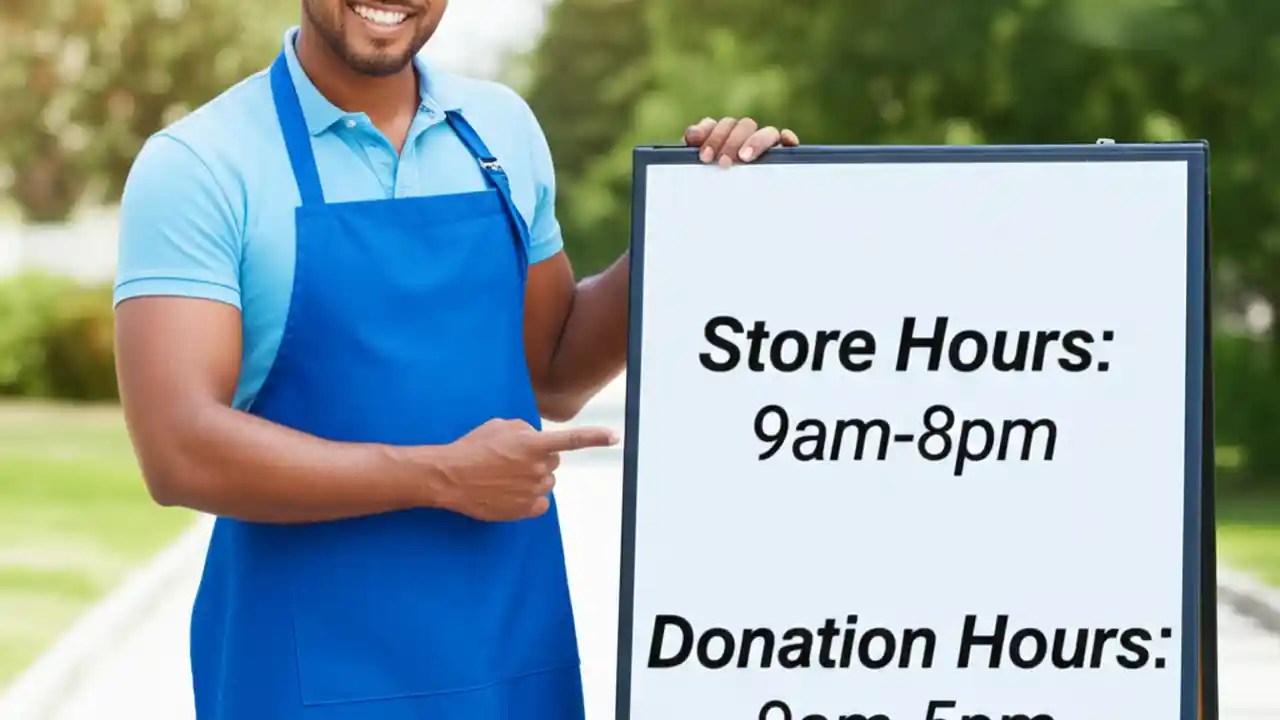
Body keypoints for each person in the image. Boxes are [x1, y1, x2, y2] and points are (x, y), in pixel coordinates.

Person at [112, 1, 799, 718]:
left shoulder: (500, 130)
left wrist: (695, 214)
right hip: (306, 674)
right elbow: (179, 448)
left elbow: (556, 371)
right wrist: (441, 476)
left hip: (509, 663)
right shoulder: (199, 165)